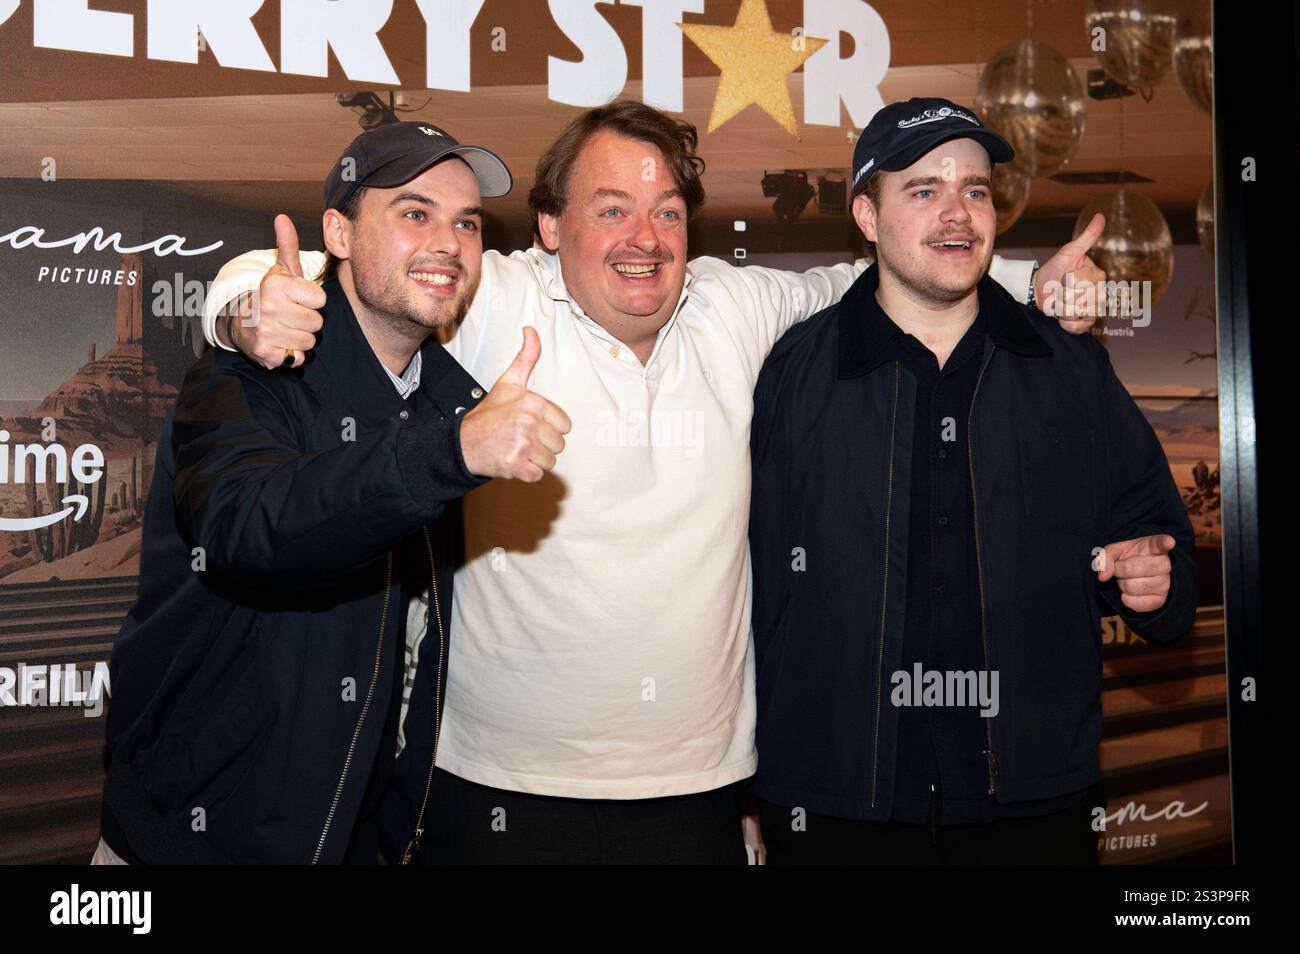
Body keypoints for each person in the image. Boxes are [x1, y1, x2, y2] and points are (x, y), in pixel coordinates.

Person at [200, 101, 1105, 865]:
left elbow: (877, 278)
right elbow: (355, 275)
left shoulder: (730, 306)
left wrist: (1034, 279)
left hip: (700, 793)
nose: (645, 239)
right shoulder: (490, 298)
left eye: (668, 212)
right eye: (612, 209)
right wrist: (245, 303)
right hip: (496, 791)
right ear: (551, 229)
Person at [94, 121, 570, 864]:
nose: (447, 242)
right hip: (194, 841)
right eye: (414, 213)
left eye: (466, 222)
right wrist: (452, 452)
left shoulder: (446, 398)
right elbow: (250, 530)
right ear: (339, 236)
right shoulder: (243, 376)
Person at [747, 98, 1197, 864]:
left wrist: (1156, 579)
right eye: (923, 191)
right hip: (836, 805)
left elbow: (1158, 539)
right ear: (866, 214)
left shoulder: (1067, 364)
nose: (957, 214)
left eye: (976, 191)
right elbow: (747, 584)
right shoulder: (791, 373)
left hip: (1032, 807)